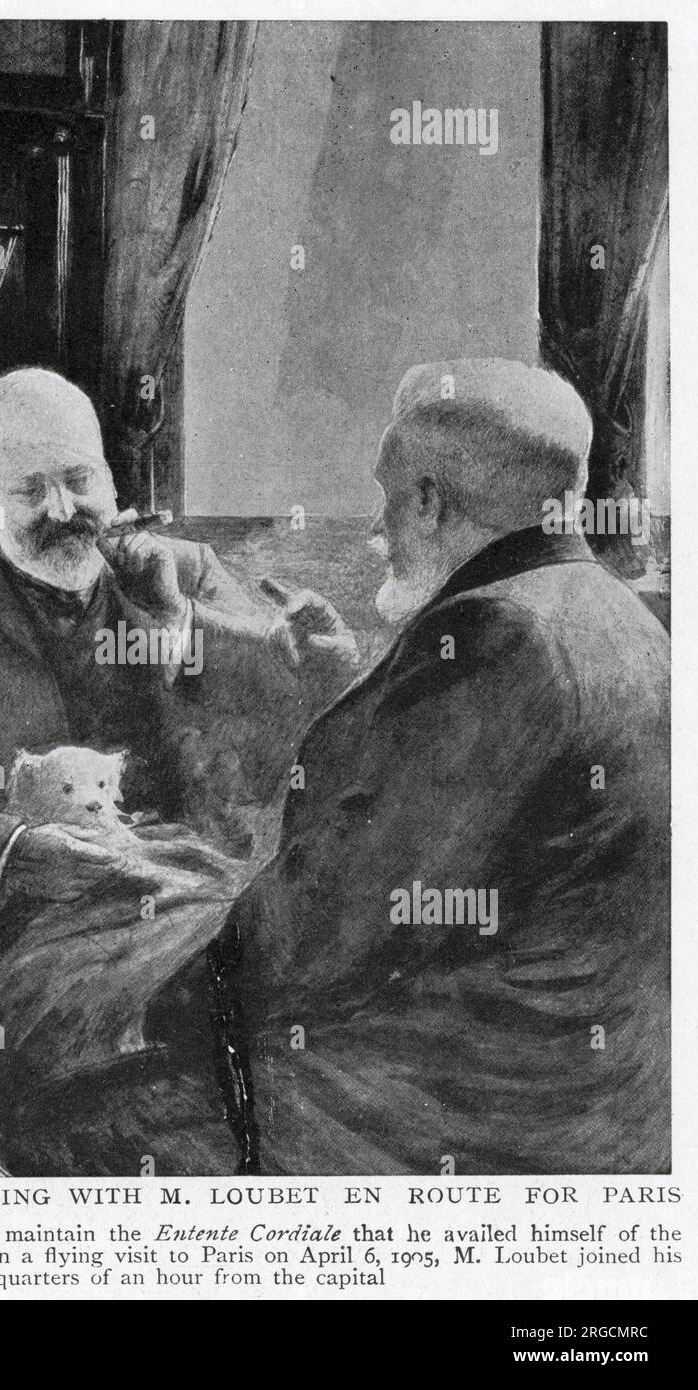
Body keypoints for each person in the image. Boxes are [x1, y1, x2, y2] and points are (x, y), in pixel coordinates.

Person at [0, 366, 356, 1169]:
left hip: (186, 898)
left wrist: (291, 659)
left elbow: (284, 758)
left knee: (328, 1005)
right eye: (30, 491)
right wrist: (15, 856)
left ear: (111, 477)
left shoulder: (183, 579)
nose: (64, 512)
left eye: (79, 480)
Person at [215, 358, 670, 1175]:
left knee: (75, 1091)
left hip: (488, 1110)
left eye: (384, 493)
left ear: (427, 500)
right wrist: (341, 679)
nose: (374, 528)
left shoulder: (501, 639)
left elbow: (317, 938)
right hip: (609, 1090)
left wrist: (188, 959)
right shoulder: (607, 610)